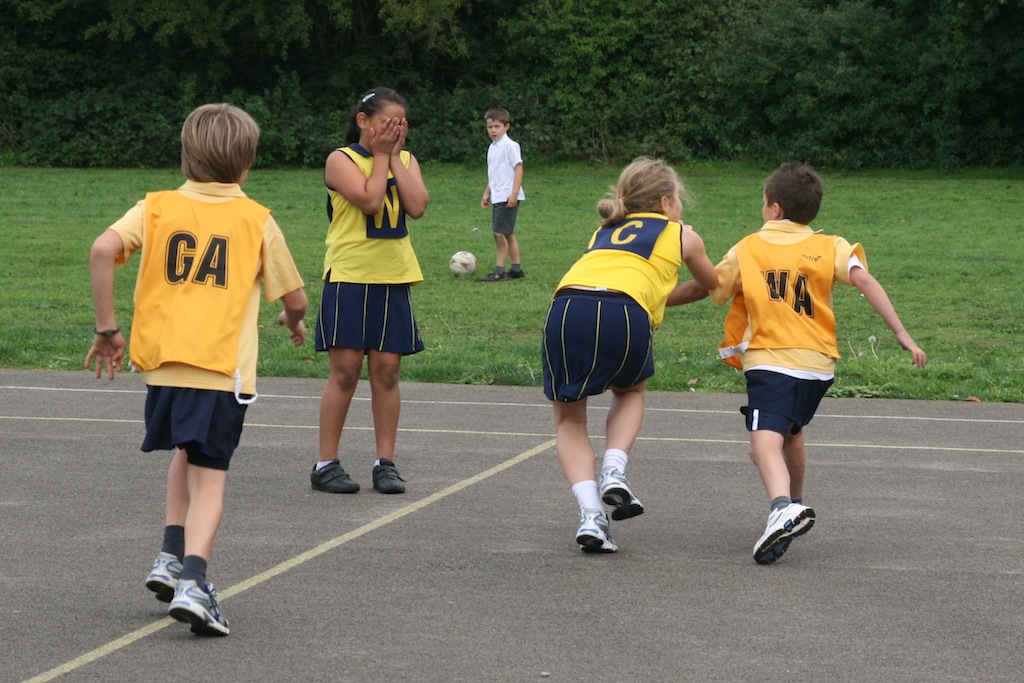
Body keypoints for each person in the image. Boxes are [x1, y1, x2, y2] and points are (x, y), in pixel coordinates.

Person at [84, 103, 308, 636]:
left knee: (186, 454)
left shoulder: (156, 206)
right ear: (246, 162)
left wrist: (107, 327)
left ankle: (169, 555)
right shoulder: (256, 219)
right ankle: (195, 583)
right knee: (211, 476)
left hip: (162, 367)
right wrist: (291, 318)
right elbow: (295, 298)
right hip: (218, 369)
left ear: (186, 154)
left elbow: (102, 248)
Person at [670, 161, 927, 564]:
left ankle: (781, 508)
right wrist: (901, 333)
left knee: (762, 445)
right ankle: (796, 502)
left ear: (773, 208)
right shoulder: (832, 246)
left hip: (772, 360)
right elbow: (863, 279)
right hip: (818, 365)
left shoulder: (749, 247)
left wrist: (653, 297)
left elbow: (709, 287)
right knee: (791, 433)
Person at [542, 157, 718, 552]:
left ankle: (591, 515)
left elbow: (626, 281)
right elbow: (710, 285)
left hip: (567, 306)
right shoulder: (681, 234)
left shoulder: (602, 230)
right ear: (665, 201)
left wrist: (648, 297)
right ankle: (614, 470)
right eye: (678, 200)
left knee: (569, 418)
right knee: (631, 391)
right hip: (626, 311)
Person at [309, 87, 430, 496]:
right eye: (386, 123)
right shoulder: (340, 160)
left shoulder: (406, 159)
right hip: (349, 277)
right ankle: (326, 463)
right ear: (363, 121)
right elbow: (371, 200)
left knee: (388, 372)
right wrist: (381, 156)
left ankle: (386, 463)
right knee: (344, 373)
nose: (395, 131)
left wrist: (393, 155)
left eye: (401, 124)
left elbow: (417, 206)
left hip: (392, 278)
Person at [478, 108, 526, 282]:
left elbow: (518, 168)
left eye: (497, 126)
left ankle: (499, 271)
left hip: (507, 196)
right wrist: (487, 193)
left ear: (506, 127)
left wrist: (514, 193)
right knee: (506, 233)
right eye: (490, 127)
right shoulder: (492, 148)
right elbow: (495, 173)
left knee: (498, 233)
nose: (493, 130)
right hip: (497, 195)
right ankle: (516, 268)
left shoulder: (510, 146)